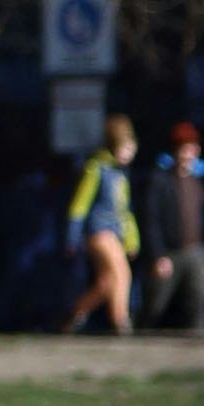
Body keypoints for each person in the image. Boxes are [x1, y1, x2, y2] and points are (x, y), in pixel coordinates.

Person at [64, 104, 142, 335]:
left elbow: (125, 211)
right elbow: (79, 205)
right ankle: (120, 321)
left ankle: (74, 314)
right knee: (121, 271)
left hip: (116, 231)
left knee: (105, 282)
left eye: (131, 148)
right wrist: (71, 236)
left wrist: (132, 239)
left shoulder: (120, 174)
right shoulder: (96, 168)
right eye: (124, 148)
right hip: (98, 231)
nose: (128, 153)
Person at [143, 117, 204, 333]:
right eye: (183, 149)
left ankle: (199, 346)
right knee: (156, 303)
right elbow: (151, 220)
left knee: (200, 301)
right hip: (168, 252)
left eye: (191, 149)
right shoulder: (160, 181)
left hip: (196, 251)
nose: (187, 155)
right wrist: (157, 255)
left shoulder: (202, 181)